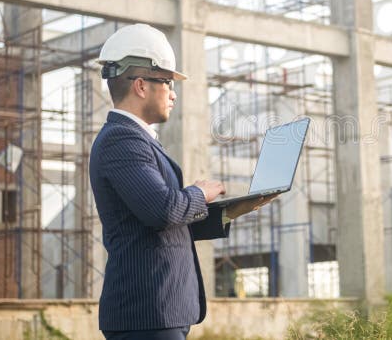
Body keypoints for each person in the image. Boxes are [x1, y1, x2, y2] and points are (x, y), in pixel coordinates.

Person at [89, 24, 274, 339]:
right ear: (141, 86)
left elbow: (163, 224)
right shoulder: (122, 139)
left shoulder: (137, 140)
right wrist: (199, 192)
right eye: (167, 82)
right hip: (146, 313)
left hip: (159, 312)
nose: (173, 93)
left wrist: (231, 211)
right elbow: (162, 211)